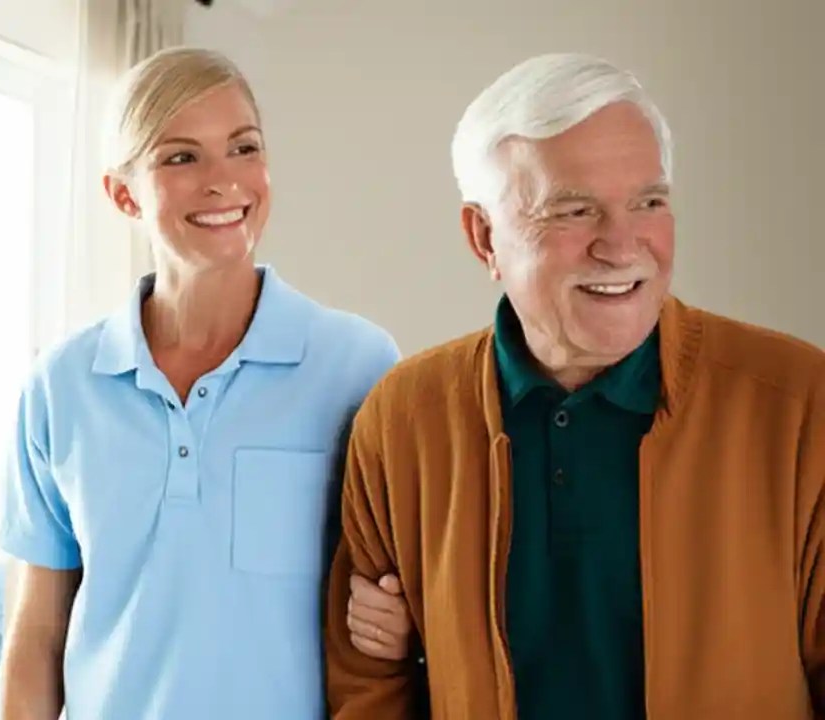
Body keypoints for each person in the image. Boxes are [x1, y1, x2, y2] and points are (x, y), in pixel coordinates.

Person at [326, 52, 825, 719]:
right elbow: (367, 685)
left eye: (648, 202)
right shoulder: (402, 421)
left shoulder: (797, 404)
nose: (622, 246)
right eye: (573, 211)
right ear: (484, 238)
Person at [0, 46, 410, 720]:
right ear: (123, 193)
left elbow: (399, 594)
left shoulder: (357, 364)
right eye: (181, 157)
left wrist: (397, 620)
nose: (225, 182)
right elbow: (36, 636)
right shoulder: (59, 386)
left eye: (244, 148)